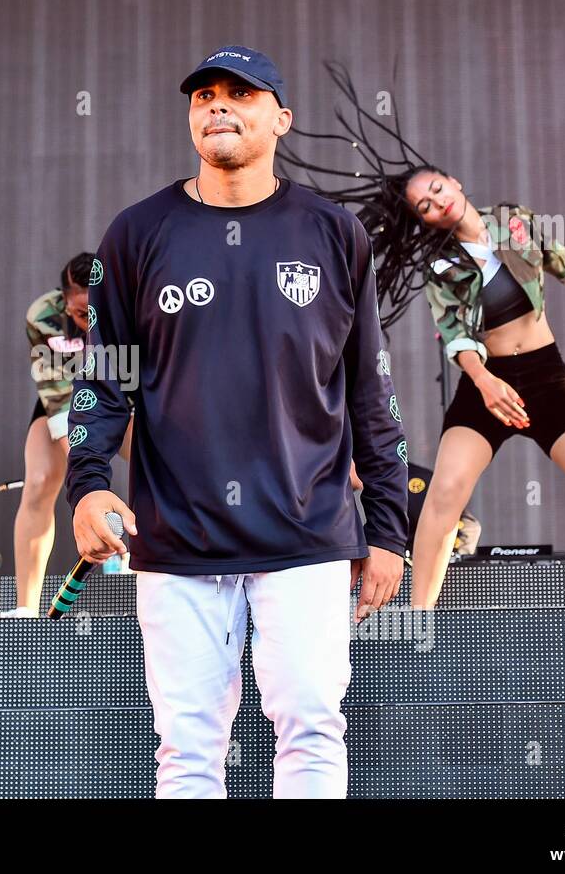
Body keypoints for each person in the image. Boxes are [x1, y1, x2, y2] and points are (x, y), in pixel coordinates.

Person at [65, 46, 409, 798]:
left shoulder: (333, 232)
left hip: (306, 530)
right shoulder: (135, 233)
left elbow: (370, 391)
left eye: (240, 94)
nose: (218, 105)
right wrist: (86, 485)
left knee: (312, 730)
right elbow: (102, 378)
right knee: (188, 751)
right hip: (179, 536)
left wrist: (388, 527)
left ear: (280, 119)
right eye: (204, 95)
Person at [278, 62, 565, 609]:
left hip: (545, 373)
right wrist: (486, 383)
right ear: (425, 219)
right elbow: (455, 334)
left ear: (454, 183)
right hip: (486, 381)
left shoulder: (513, 218)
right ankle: (419, 624)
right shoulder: (442, 266)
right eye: (425, 205)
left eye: (438, 190)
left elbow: (560, 259)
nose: (437, 202)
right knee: (443, 496)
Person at [10, 254, 132, 616]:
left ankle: (144, 562)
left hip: (124, 393)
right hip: (71, 398)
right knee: (40, 479)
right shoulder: (42, 316)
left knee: (154, 460)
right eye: (81, 314)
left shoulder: (130, 304)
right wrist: (89, 479)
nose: (89, 321)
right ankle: (25, 609)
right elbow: (59, 397)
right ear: (63, 300)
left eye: (95, 311)